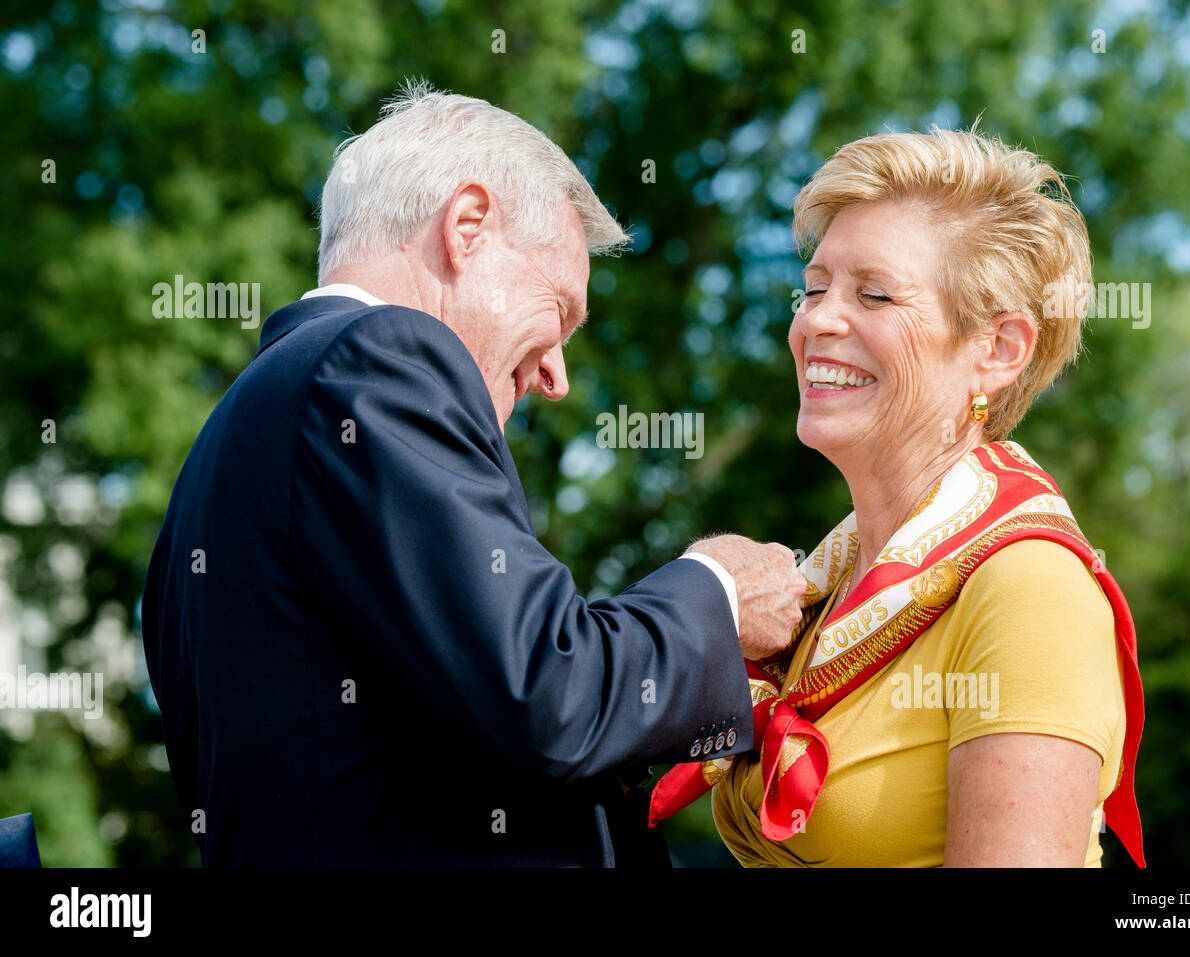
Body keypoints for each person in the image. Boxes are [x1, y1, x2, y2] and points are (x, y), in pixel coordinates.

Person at [140, 82, 806, 867]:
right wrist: (716, 595)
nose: (556, 374)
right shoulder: (377, 359)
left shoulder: (229, 449)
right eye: (559, 310)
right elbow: (548, 692)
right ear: (467, 227)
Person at [654, 127, 1146, 867]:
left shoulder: (1028, 587)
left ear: (998, 349)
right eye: (814, 288)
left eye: (875, 294)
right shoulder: (821, 586)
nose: (816, 320)